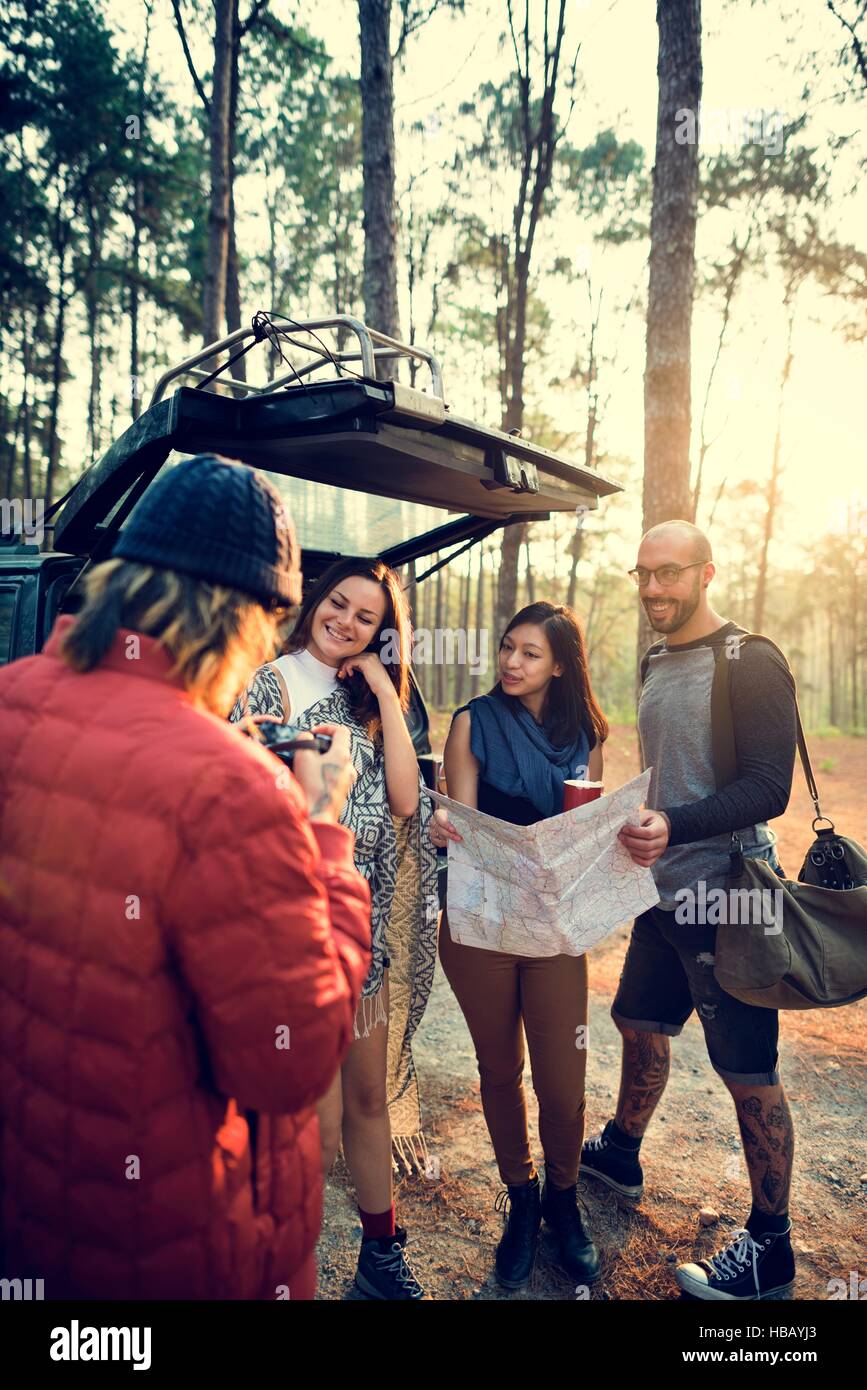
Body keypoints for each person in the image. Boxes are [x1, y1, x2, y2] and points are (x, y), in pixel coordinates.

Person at [0, 454, 372, 1300]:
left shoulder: (11, 698)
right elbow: (290, 1063)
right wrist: (317, 831)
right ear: (244, 618)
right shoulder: (228, 790)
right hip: (175, 1240)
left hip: (34, 1202)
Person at [581, 519, 799, 1301]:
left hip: (730, 895)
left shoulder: (749, 661)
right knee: (638, 1025)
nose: (652, 589)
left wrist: (676, 824)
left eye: (669, 574)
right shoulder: (654, 656)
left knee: (746, 1068)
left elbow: (768, 788)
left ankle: (770, 1246)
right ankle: (620, 1150)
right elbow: (669, 773)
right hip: (664, 889)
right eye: (642, 573)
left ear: (707, 574)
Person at [231, 557, 438, 1301]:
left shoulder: (369, 700)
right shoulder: (270, 683)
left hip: (368, 932)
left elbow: (409, 803)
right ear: (315, 600)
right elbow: (242, 803)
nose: (346, 622)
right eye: (338, 604)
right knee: (307, 1125)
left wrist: (383, 686)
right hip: (298, 935)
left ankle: (379, 1259)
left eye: (367, 619)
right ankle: (285, 1269)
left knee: (367, 1100)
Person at [430, 601, 608, 1289]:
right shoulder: (472, 721)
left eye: (530, 653)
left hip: (553, 926)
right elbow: (461, 822)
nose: (511, 661)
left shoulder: (584, 733)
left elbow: (587, 831)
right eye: (507, 647)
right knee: (498, 1071)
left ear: (558, 664)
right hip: (481, 923)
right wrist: (445, 825)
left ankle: (564, 1203)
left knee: (561, 1086)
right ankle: (522, 1197)